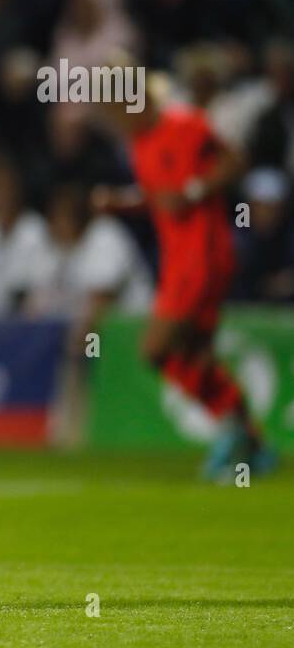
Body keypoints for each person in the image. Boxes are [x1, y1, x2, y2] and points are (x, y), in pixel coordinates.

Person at [93, 72, 275, 480]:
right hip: (179, 263)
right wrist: (121, 202)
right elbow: (159, 196)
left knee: (156, 349)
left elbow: (234, 161)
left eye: (116, 109)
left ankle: (235, 430)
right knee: (194, 354)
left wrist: (194, 191)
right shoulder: (139, 144)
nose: (116, 119)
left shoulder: (186, 124)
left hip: (204, 257)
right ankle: (248, 440)